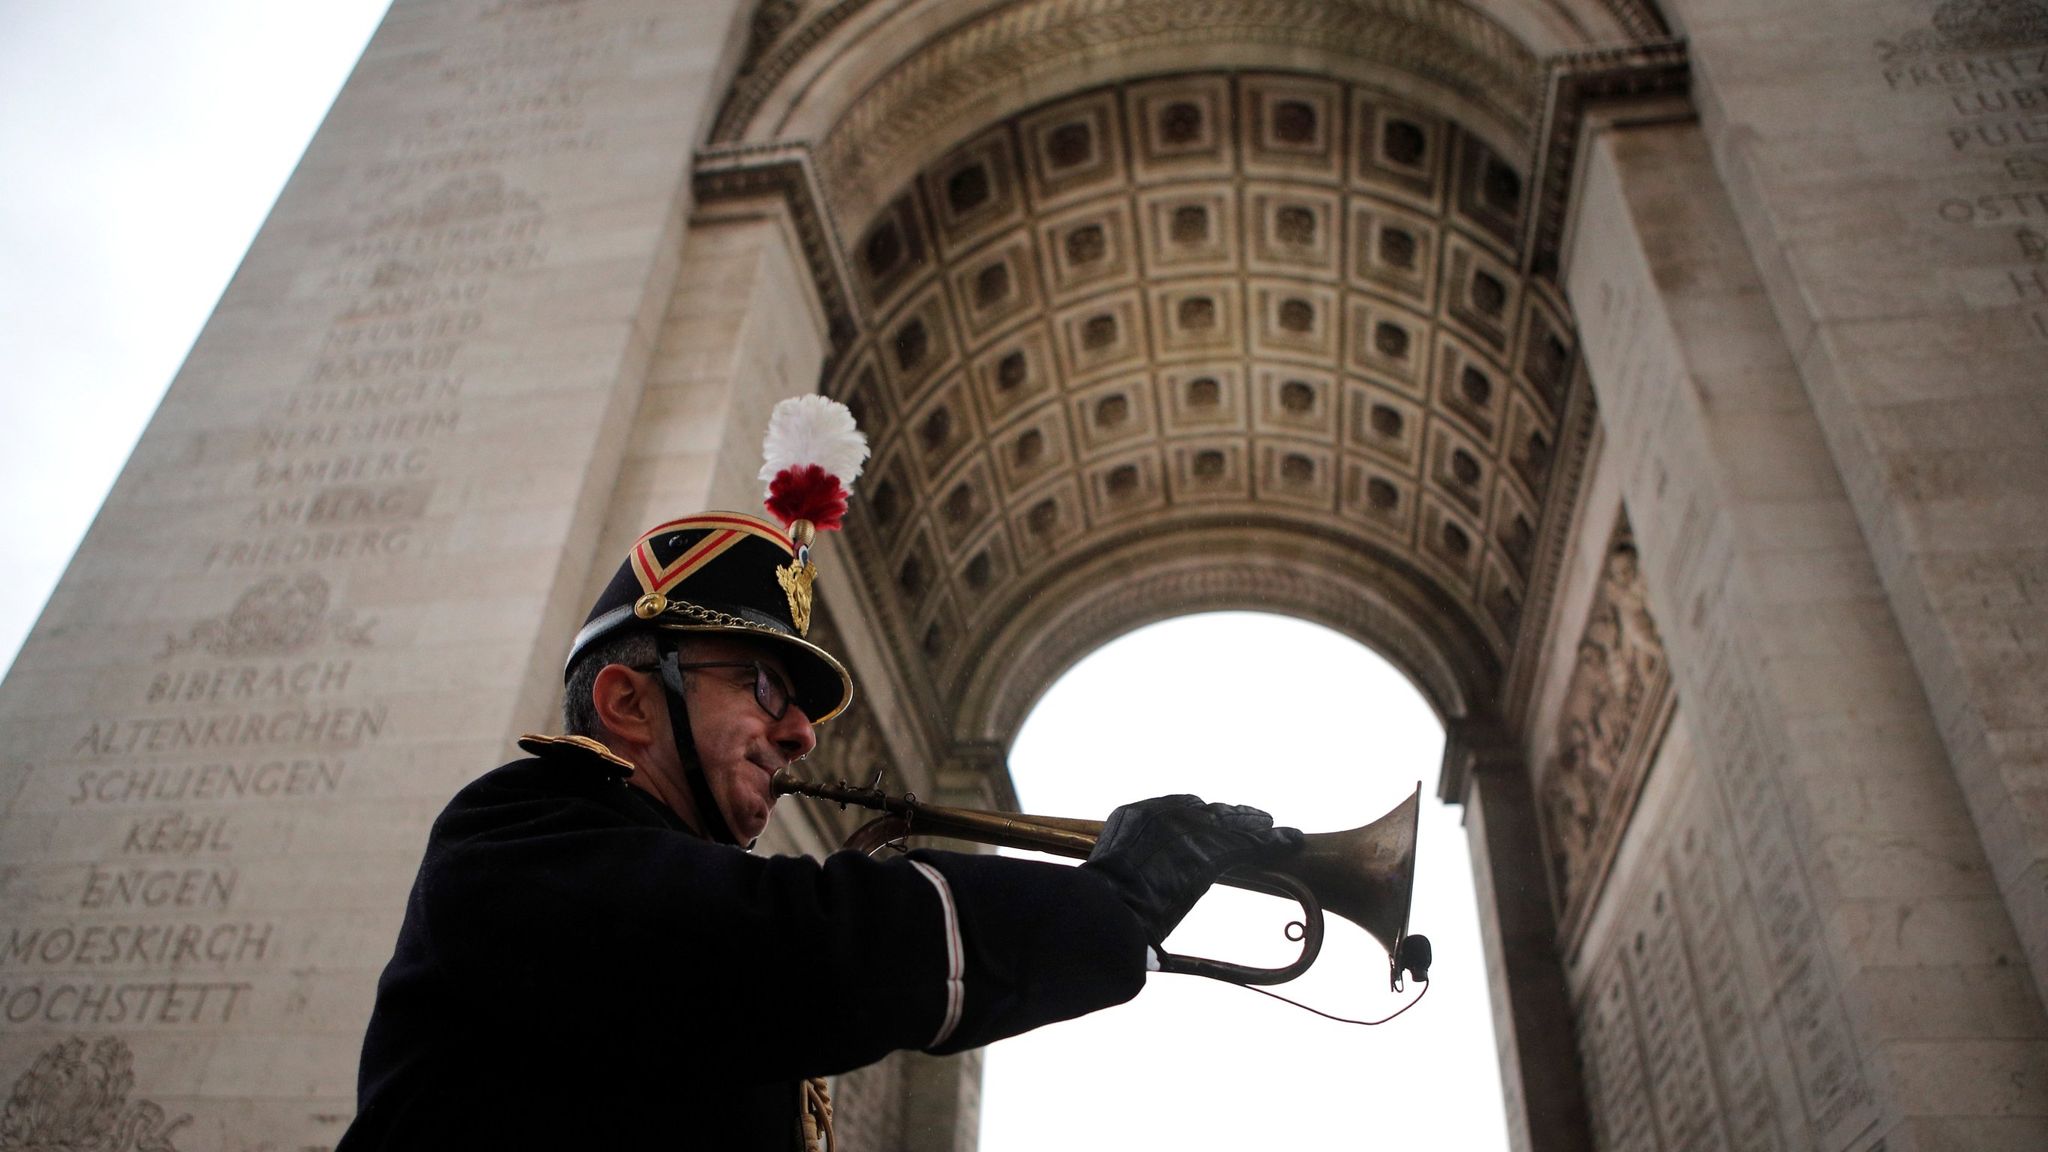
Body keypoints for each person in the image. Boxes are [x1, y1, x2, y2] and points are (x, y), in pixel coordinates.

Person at [338, 511, 1300, 1150]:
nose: (801, 733)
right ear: (628, 702)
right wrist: (1102, 906)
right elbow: (786, 947)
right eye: (765, 687)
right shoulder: (510, 833)